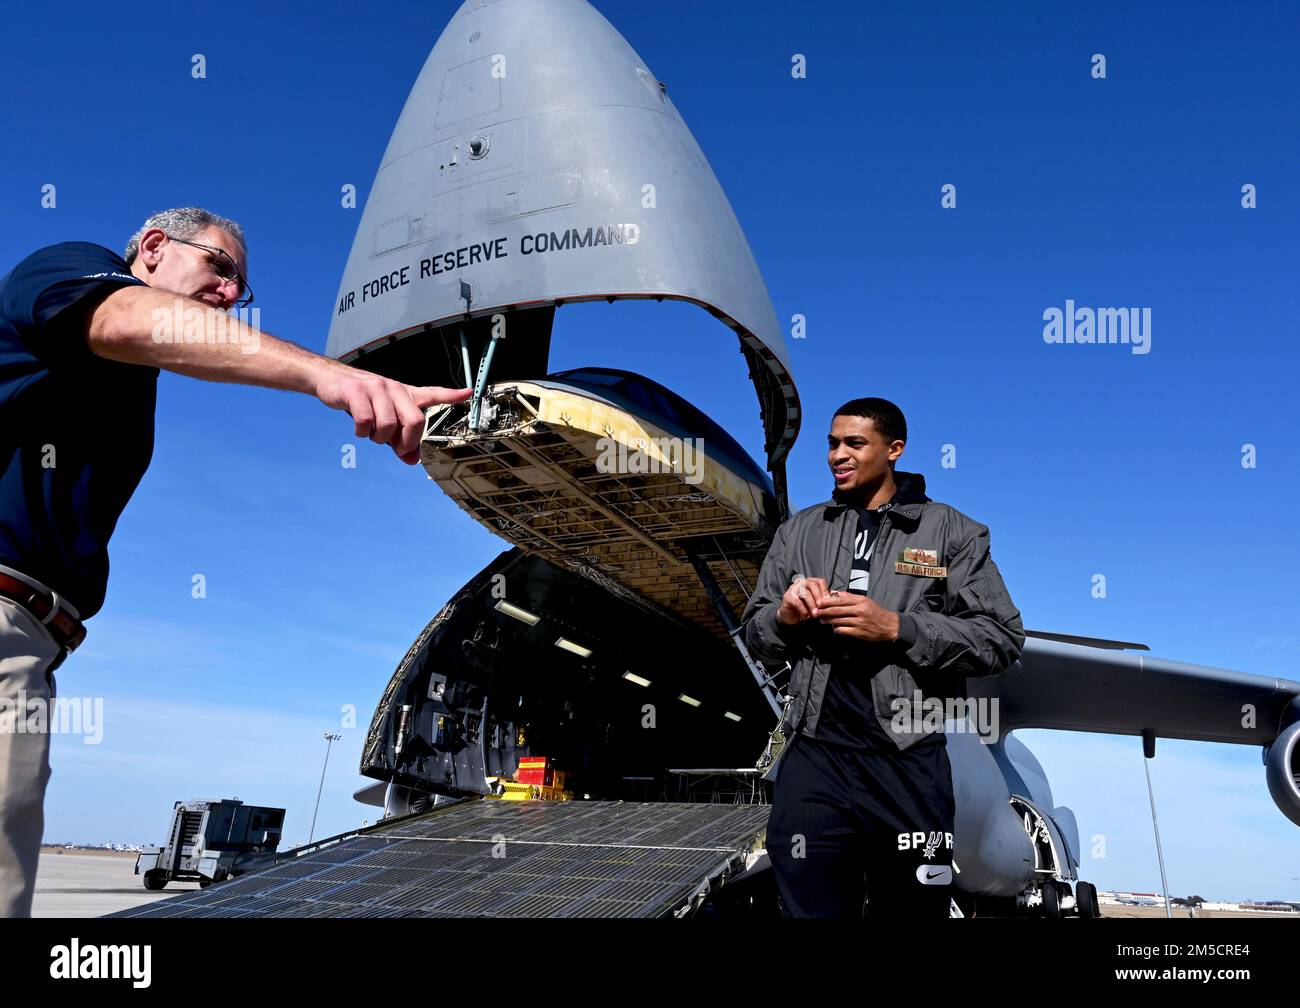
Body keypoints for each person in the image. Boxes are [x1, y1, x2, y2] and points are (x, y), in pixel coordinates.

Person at [0, 207, 471, 916]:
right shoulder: (68, 268)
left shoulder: (125, 384)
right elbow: (136, 319)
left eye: (240, 287)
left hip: (35, 636)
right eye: (219, 266)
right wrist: (332, 378)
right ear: (153, 248)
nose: (229, 294)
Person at [740, 396, 1024, 917]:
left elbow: (1001, 638)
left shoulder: (953, 533)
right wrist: (783, 618)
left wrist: (900, 627)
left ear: (894, 450)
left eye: (854, 443)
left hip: (908, 760)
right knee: (807, 901)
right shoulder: (799, 531)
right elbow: (755, 636)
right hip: (815, 755)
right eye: (831, 443)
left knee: (913, 907)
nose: (836, 456)